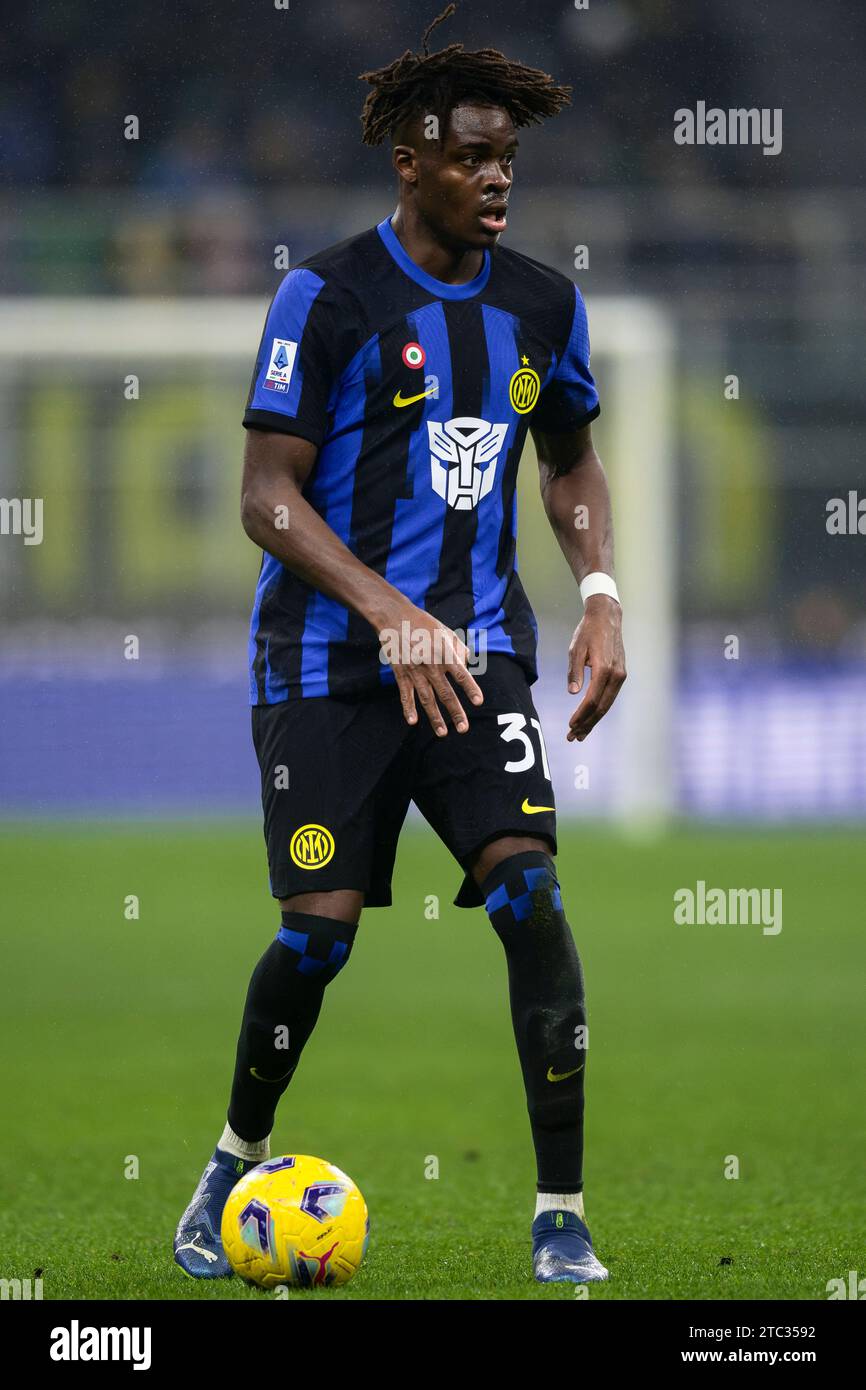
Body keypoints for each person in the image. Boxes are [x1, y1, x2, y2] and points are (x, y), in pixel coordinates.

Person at [174, 3, 626, 1286]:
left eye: (510, 163)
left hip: (478, 659)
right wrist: (389, 611)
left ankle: (558, 1215)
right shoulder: (323, 295)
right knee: (317, 933)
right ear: (409, 161)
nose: (496, 180)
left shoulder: (544, 305)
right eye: (474, 158)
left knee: (530, 894)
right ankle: (228, 1167)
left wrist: (597, 585)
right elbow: (266, 495)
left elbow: (572, 455)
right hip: (329, 667)